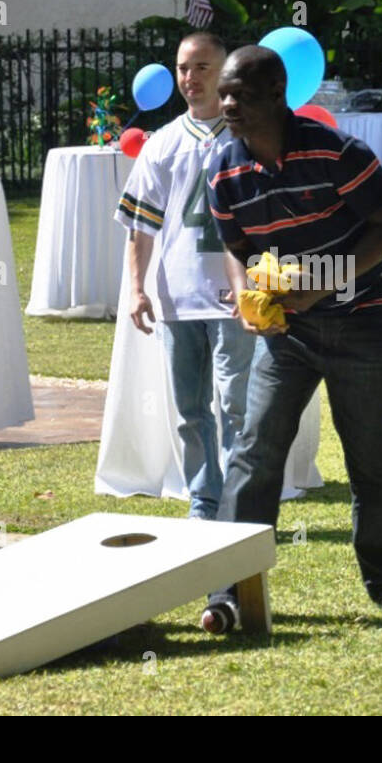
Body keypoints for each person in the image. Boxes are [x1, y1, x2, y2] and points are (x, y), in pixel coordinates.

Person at [199, 45, 382, 629]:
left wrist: (324, 287)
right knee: (254, 454)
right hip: (287, 335)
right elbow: (236, 247)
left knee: (372, 458)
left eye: (239, 94)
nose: (226, 104)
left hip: (364, 321)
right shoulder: (223, 169)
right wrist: (248, 292)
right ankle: (229, 589)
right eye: (223, 93)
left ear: (277, 94)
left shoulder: (338, 152)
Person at [114, 32, 254, 519]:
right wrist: (136, 287)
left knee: (236, 404)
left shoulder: (248, 135)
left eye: (202, 67)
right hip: (179, 296)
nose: (190, 78)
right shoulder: (163, 144)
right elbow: (141, 226)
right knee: (191, 410)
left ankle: (239, 502)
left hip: (236, 297)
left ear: (226, 70)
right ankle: (203, 497)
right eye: (182, 68)